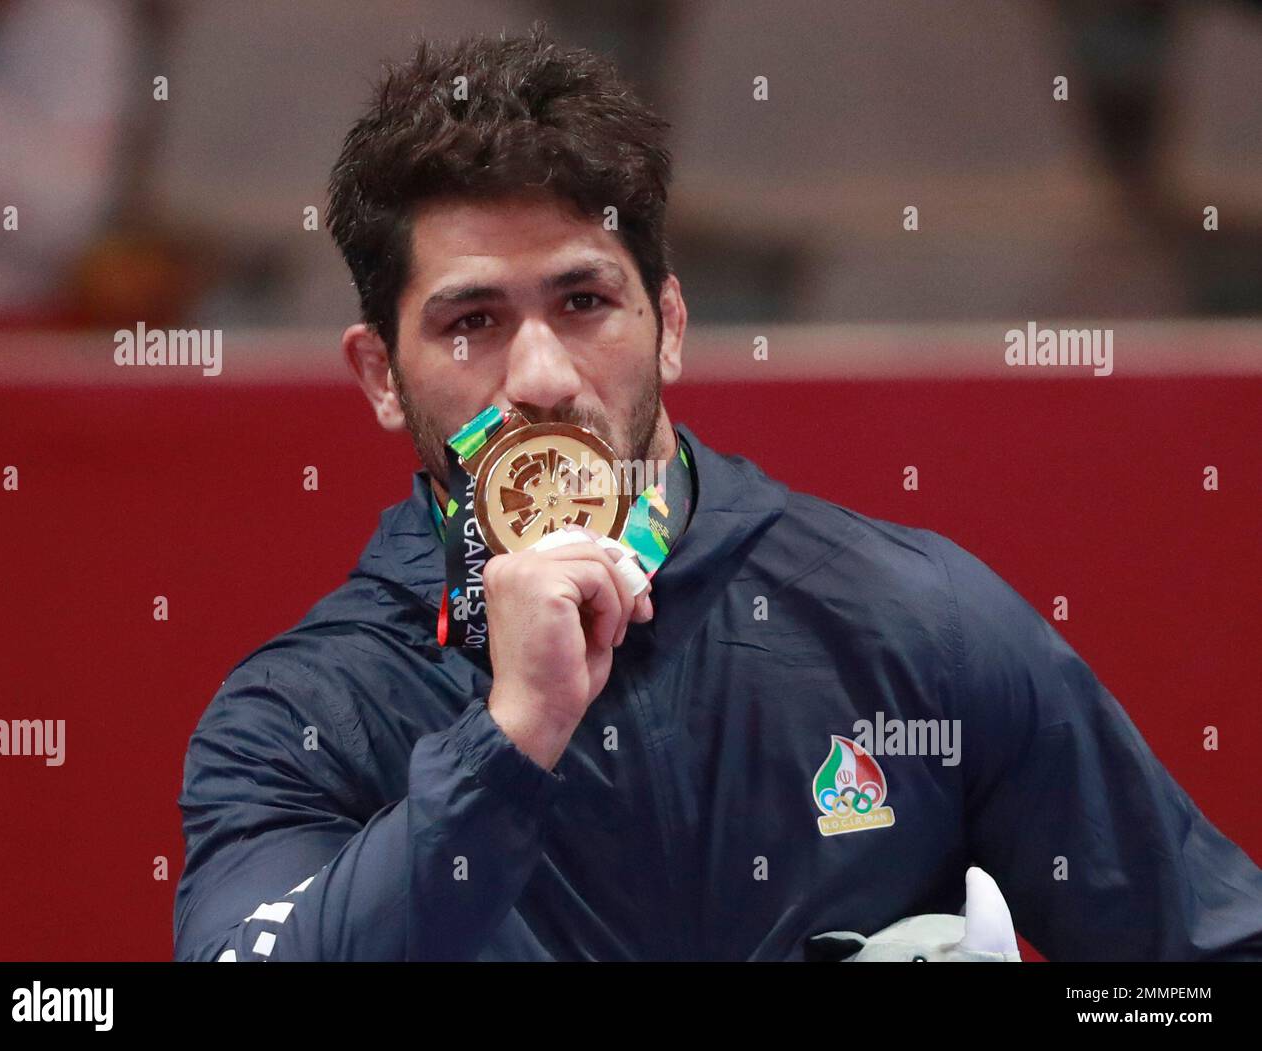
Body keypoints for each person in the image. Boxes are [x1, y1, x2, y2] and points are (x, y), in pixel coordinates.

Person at [172, 23, 1262, 962]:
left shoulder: (915, 623)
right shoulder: (304, 717)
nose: (542, 377)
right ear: (378, 375)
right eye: (472, 322)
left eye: (585, 300)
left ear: (672, 325)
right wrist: (512, 739)